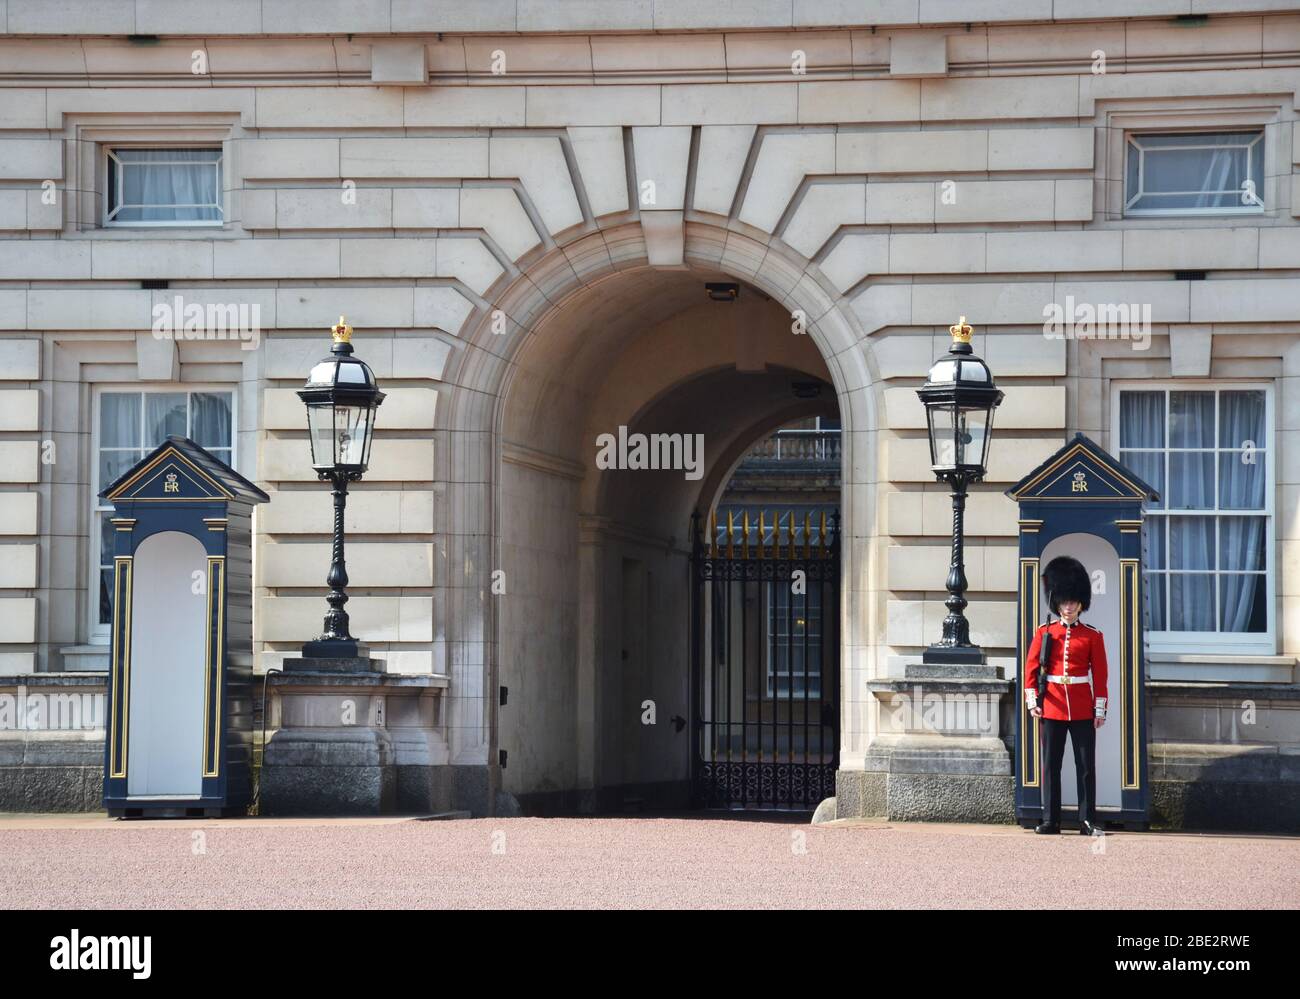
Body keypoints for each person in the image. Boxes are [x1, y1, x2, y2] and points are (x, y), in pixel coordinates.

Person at [1025, 555, 1108, 836]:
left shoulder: (1092, 636)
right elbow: (1031, 669)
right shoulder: (1045, 633)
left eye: (1073, 602)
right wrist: (1033, 702)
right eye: (1064, 602)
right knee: (1051, 766)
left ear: (1081, 603)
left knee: (1085, 766)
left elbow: (1101, 675)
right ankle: (1051, 819)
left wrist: (1099, 709)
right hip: (1051, 705)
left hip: (1083, 707)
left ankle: (1086, 819)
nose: (1068, 606)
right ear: (1056, 602)